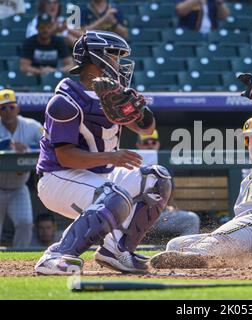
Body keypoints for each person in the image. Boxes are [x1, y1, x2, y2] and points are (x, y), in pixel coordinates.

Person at [34, 30, 172, 275]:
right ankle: (56, 255)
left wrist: (137, 107)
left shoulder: (111, 94)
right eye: (115, 55)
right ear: (96, 58)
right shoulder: (64, 101)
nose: (119, 62)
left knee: (157, 179)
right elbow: (65, 156)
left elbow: (146, 129)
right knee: (114, 196)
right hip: (58, 178)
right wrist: (111, 157)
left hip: (100, 176)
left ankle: (116, 250)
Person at [150, 73, 252, 269]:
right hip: (245, 228)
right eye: (247, 139)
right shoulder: (248, 177)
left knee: (217, 238)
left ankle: (198, 258)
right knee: (176, 244)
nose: (249, 143)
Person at [136, 130, 201, 243]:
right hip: (134, 215)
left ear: (158, 144)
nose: (150, 145)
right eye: (146, 143)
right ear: (138, 145)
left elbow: (170, 191)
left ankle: (183, 251)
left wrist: (169, 205)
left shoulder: (164, 164)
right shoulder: (132, 163)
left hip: (159, 216)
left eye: (153, 142)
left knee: (192, 219)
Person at [0, 89, 43, 248]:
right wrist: (7, 144)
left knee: (25, 223)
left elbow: (48, 143)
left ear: (17, 108)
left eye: (11, 107)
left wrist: (28, 147)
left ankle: (19, 259)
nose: (7, 111)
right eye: (2, 108)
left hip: (18, 188)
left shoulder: (31, 126)